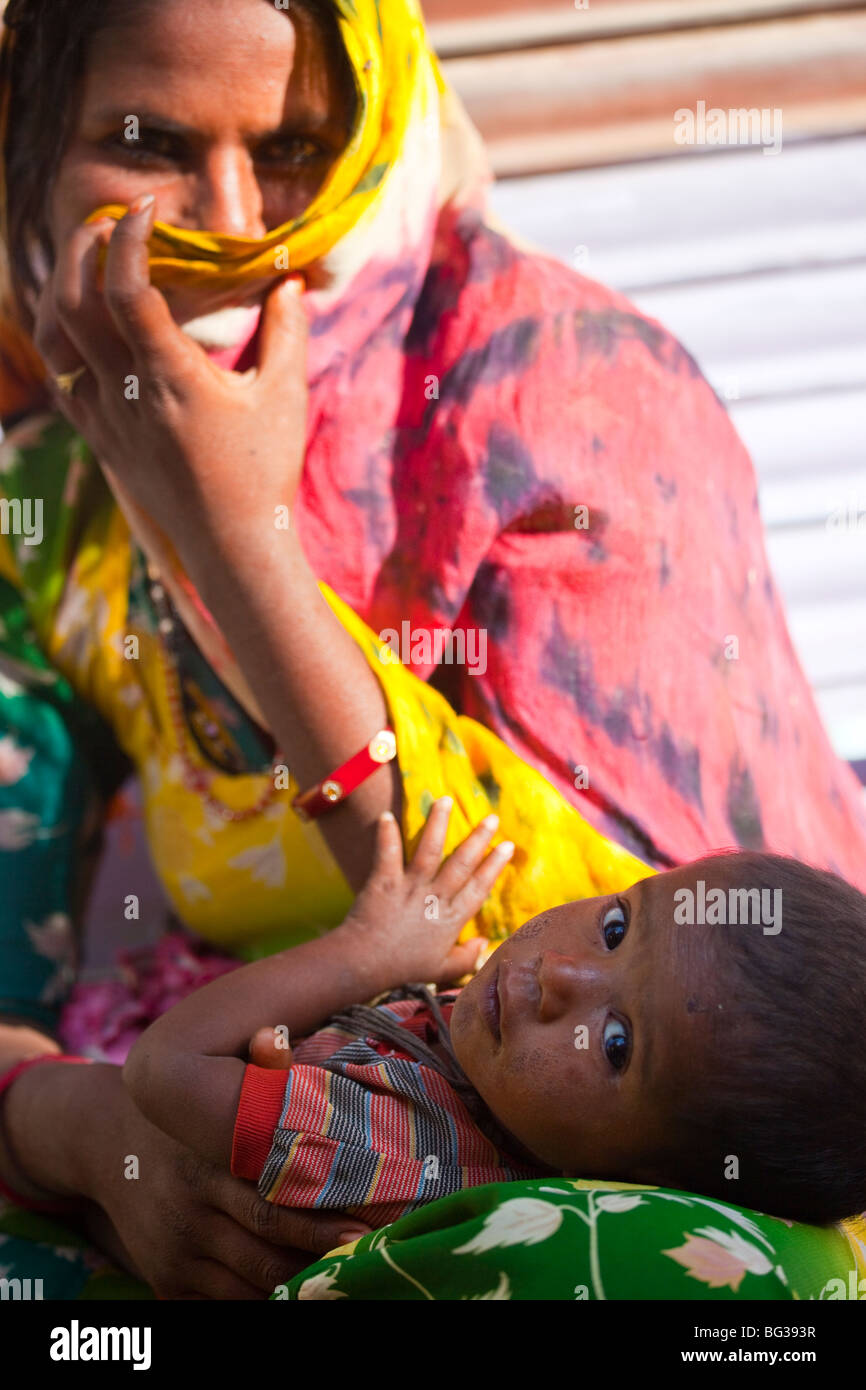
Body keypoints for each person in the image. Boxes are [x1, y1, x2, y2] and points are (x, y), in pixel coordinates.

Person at [1, 0, 864, 1299]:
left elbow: (645, 979)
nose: (232, 223)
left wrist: (237, 540)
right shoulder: (54, 512)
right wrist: (95, 1137)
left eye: (293, 148)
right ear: (29, 159)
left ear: (376, 132)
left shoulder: (566, 395)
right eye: (145, 141)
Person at [124, 800, 866, 1240]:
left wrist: (365, 954)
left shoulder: (402, 1146)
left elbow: (163, 1069)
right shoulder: (496, 1078)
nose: (557, 978)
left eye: (617, 1045)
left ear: (650, 1182)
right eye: (616, 927)